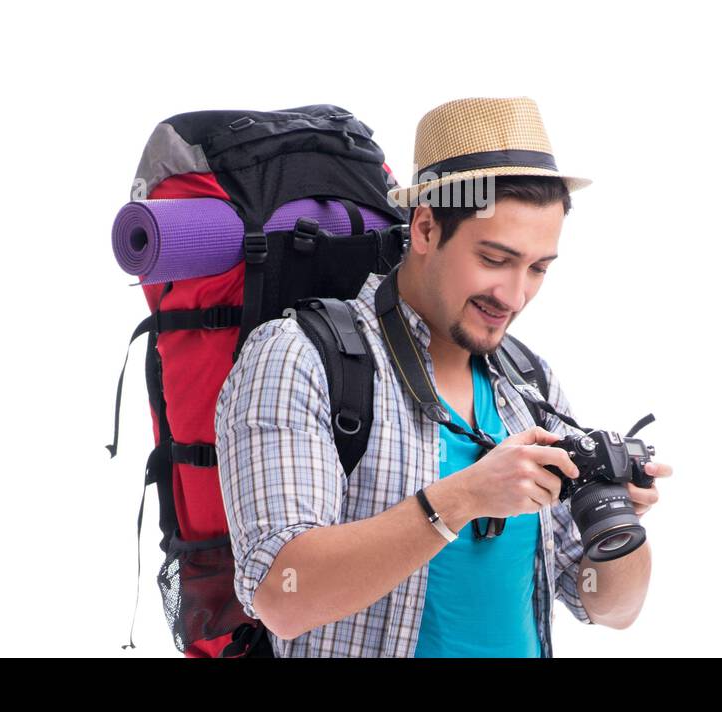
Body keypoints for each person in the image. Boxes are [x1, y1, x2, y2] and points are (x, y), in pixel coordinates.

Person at [214, 95, 673, 656]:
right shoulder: (299, 357)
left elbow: (609, 607)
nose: (515, 295)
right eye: (495, 259)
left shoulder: (531, 385)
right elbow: (281, 597)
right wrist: (460, 500)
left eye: (537, 269)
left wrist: (616, 517)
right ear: (426, 228)